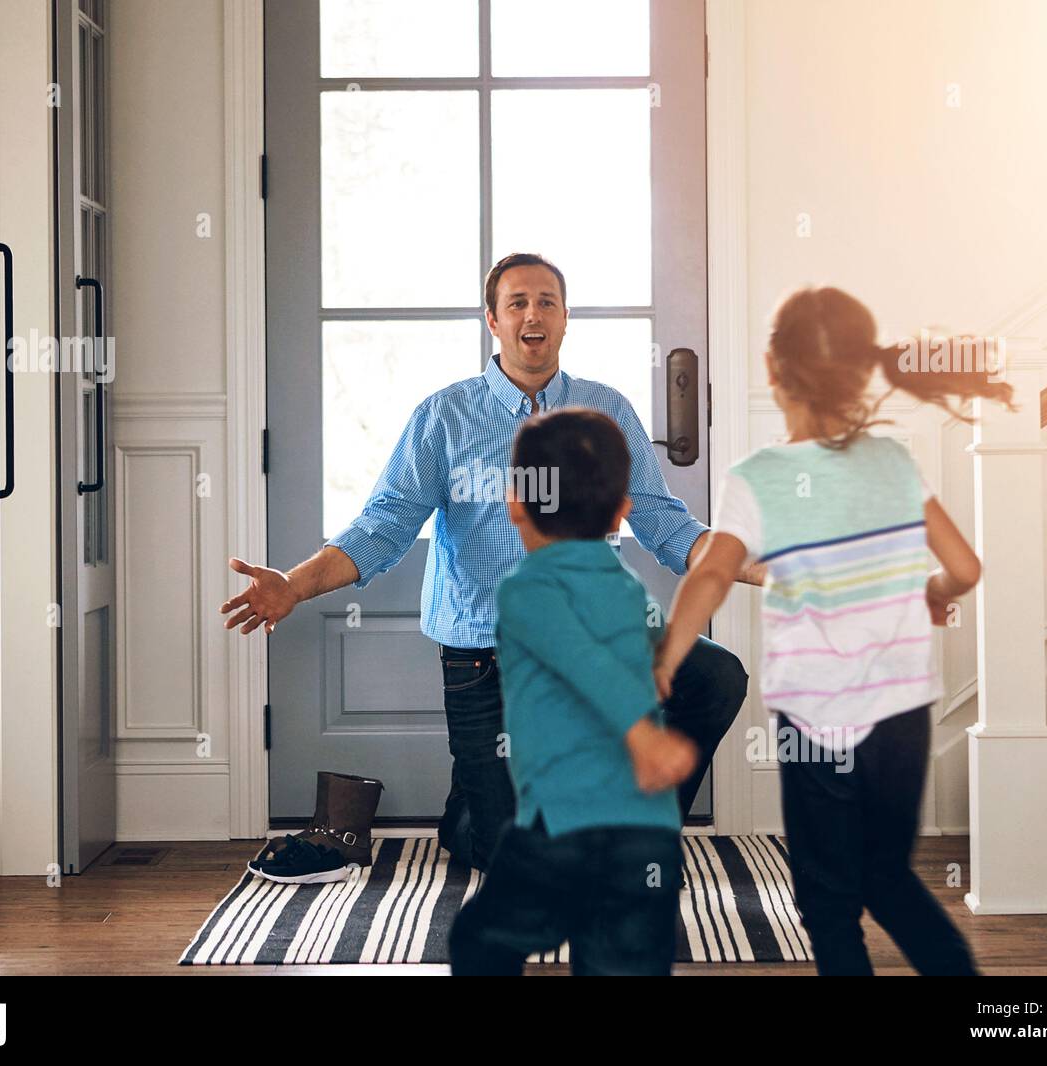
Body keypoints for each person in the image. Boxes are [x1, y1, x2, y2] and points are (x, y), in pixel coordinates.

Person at [222, 252, 754, 871]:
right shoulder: (444, 416)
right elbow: (384, 525)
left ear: (564, 319)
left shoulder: (604, 408)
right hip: (487, 657)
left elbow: (662, 519)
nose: (534, 314)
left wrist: (750, 563)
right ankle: (477, 809)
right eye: (517, 303)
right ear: (493, 321)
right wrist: (293, 583)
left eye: (547, 302)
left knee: (714, 676)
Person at [653, 286, 1004, 976]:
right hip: (903, 714)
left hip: (816, 720)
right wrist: (933, 593)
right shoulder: (894, 462)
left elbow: (712, 575)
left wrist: (672, 653)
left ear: (771, 368)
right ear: (859, 372)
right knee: (887, 875)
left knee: (826, 896)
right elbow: (964, 565)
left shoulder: (759, 478)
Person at [449, 408, 696, 976]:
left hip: (563, 828)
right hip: (649, 834)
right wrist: (663, 663)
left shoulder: (525, 590)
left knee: (479, 942)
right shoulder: (626, 584)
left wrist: (642, 735)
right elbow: (650, 640)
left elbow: (583, 662)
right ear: (622, 512)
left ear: (515, 501)